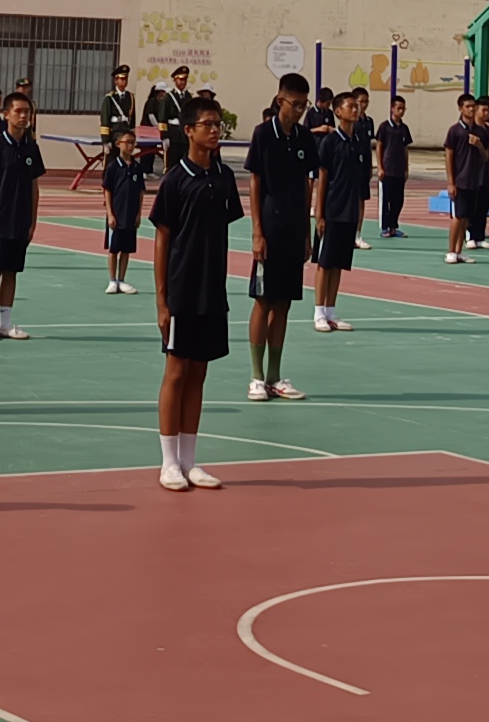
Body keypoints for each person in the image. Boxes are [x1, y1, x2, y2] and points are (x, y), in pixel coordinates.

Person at [149, 99, 240, 489]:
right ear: (189, 130)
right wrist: (162, 300)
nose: (215, 130)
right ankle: (168, 463)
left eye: (218, 124)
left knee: (200, 373)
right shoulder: (175, 180)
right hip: (181, 290)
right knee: (176, 373)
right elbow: (161, 240)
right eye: (208, 124)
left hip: (212, 291)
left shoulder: (224, 177)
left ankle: (189, 461)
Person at [242, 75, 319, 402]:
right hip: (270, 229)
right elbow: (255, 183)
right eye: (295, 104)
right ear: (280, 100)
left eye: (304, 105)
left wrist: (306, 232)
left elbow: (307, 184)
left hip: (294, 229)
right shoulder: (263, 134)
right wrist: (257, 231)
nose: (300, 110)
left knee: (284, 303)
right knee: (264, 300)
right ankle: (256, 377)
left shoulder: (304, 137)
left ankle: (275, 376)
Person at [0, 90, 46, 342]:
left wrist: (32, 221)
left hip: (20, 220)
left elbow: (34, 186)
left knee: (12, 271)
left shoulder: (31, 147)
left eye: (27, 112)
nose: (23, 116)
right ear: (6, 114)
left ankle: (6, 323)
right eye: (18, 111)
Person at [309, 90, 369, 335]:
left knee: (338, 264)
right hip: (332, 211)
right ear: (338, 111)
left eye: (357, 106)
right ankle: (318, 312)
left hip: (349, 212)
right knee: (324, 264)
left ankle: (331, 311)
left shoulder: (359, 141)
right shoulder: (330, 142)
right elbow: (322, 178)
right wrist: (320, 214)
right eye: (350, 106)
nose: (355, 109)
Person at [101, 113, 154, 294]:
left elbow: (140, 191)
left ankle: (122, 280)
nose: (130, 146)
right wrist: (110, 214)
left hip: (131, 215)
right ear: (118, 144)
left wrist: (139, 214)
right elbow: (108, 190)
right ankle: (112, 280)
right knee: (114, 249)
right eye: (127, 142)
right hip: (116, 214)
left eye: (133, 142)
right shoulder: (113, 167)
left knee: (126, 249)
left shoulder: (137, 168)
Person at [444, 98, 489, 262]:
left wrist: (479, 145)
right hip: (460, 181)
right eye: (467, 107)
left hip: (475, 182)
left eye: (473, 106)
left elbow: (486, 156)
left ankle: (459, 251)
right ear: (460, 108)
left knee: (466, 219)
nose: (471, 109)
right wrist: (451, 182)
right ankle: (451, 251)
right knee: (458, 217)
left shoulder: (481, 132)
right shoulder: (455, 131)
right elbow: (449, 157)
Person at [376, 94, 413, 240]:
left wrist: (406, 169)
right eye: (399, 108)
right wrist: (380, 167)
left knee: (398, 200)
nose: (401, 111)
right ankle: (385, 227)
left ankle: (393, 226)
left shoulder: (404, 128)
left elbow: (405, 149)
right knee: (387, 200)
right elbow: (379, 146)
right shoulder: (384, 127)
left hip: (399, 170)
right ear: (392, 108)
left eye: (403, 109)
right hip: (387, 169)